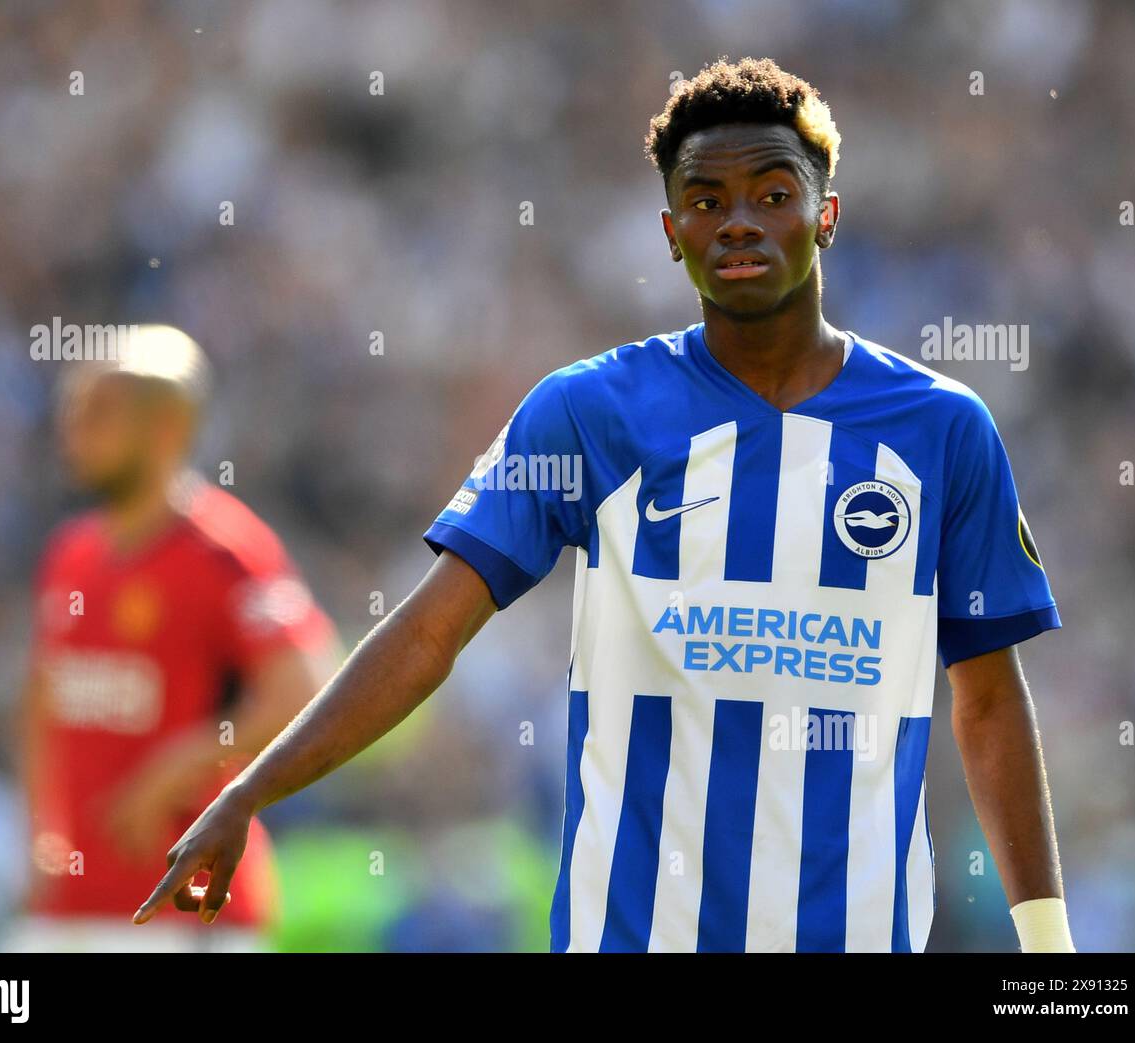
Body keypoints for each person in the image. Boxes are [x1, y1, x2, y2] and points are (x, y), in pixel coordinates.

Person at [136, 59, 1073, 953]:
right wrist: (251, 790)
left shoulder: (942, 431)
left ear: (825, 215)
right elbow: (426, 636)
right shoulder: (589, 413)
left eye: (772, 194)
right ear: (671, 233)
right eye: (706, 200)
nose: (739, 221)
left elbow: (987, 701)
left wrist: (1049, 945)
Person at [11, 326, 339, 952]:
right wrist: (40, 835)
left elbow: (308, 688)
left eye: (98, 414)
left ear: (165, 429)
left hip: (185, 911)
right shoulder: (70, 555)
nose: (73, 432)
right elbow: (41, 701)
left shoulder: (225, 552)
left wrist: (183, 762)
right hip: (71, 909)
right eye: (73, 412)